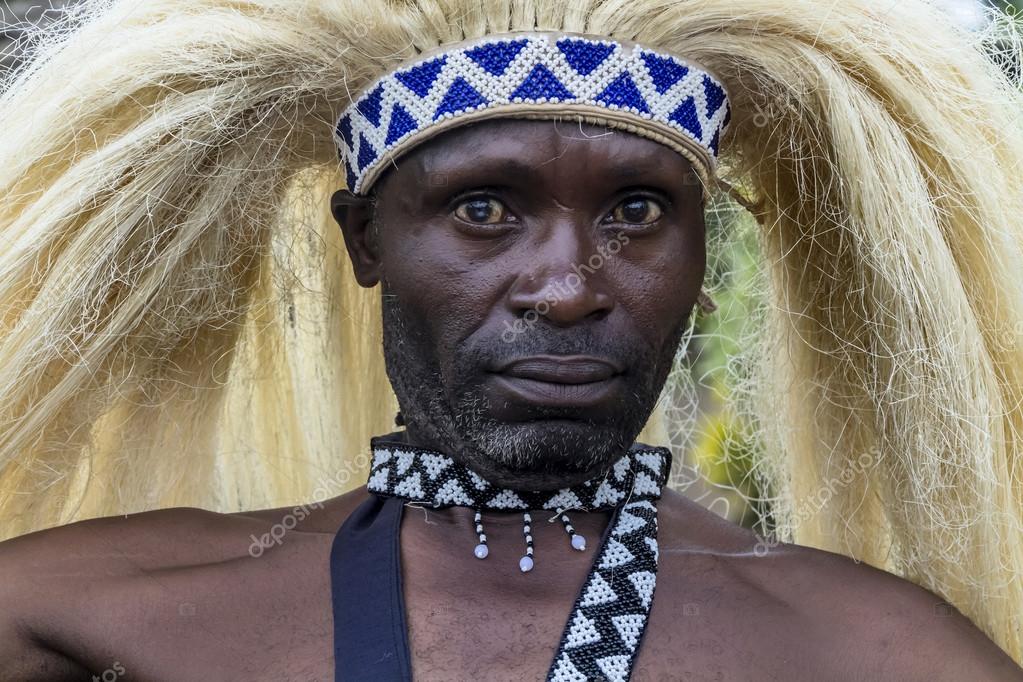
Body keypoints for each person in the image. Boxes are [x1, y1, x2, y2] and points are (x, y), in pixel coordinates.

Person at [2, 0, 1023, 679]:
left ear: (701, 258)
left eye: (637, 211)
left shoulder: (876, 650)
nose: (568, 289)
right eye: (485, 209)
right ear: (366, 240)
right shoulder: (81, 612)